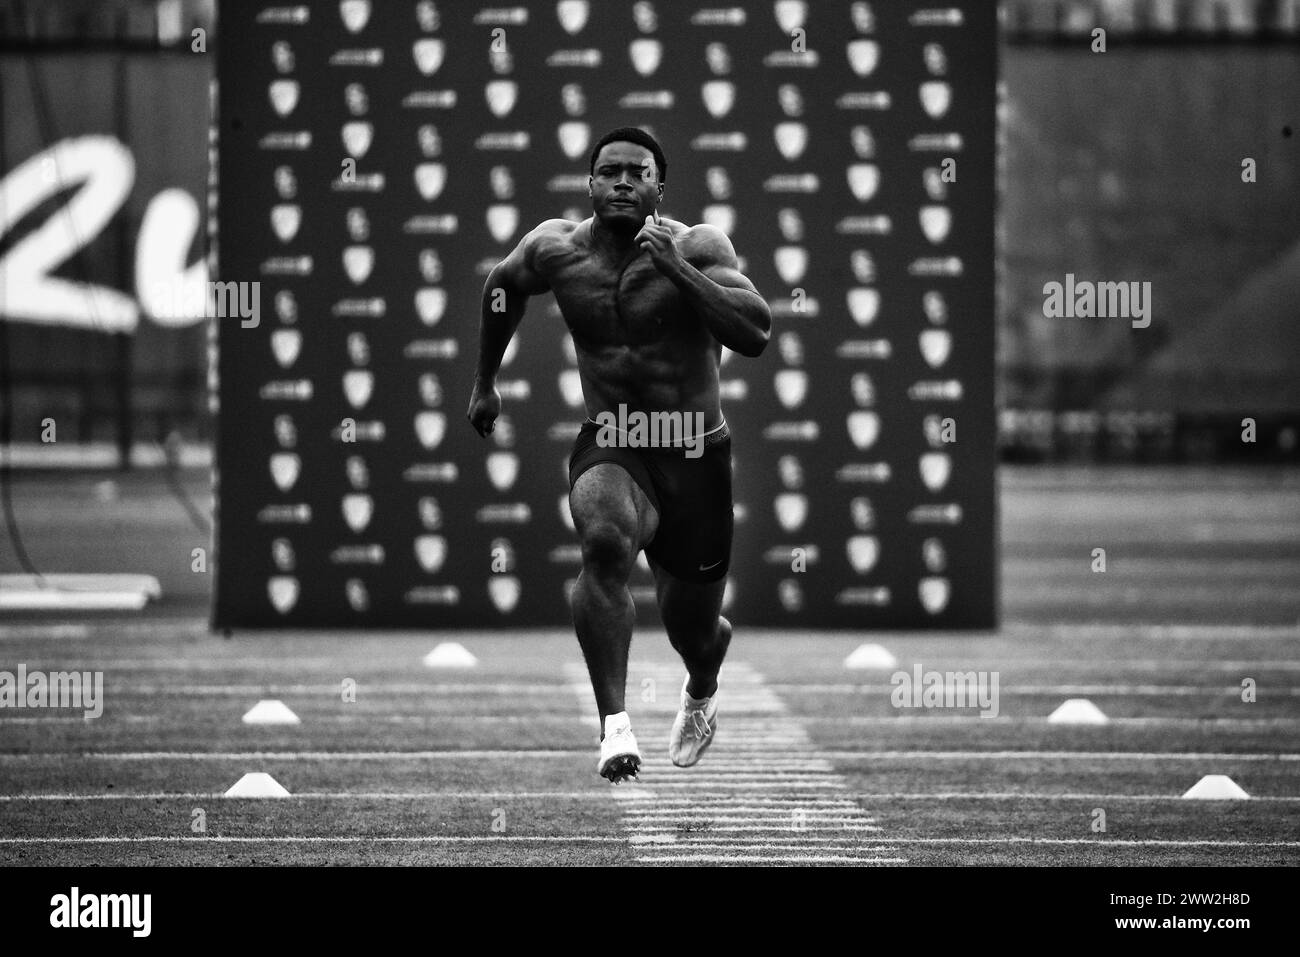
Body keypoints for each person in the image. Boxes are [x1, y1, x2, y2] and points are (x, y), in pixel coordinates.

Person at [467, 127, 771, 783]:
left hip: (694, 450)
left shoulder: (697, 245)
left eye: (639, 172)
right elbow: (501, 286)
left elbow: (755, 331)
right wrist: (485, 382)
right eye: (610, 172)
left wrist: (678, 272)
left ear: (661, 186)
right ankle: (615, 725)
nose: (624, 182)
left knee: (693, 629)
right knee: (603, 540)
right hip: (617, 438)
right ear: (591, 184)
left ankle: (702, 683)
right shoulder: (556, 250)